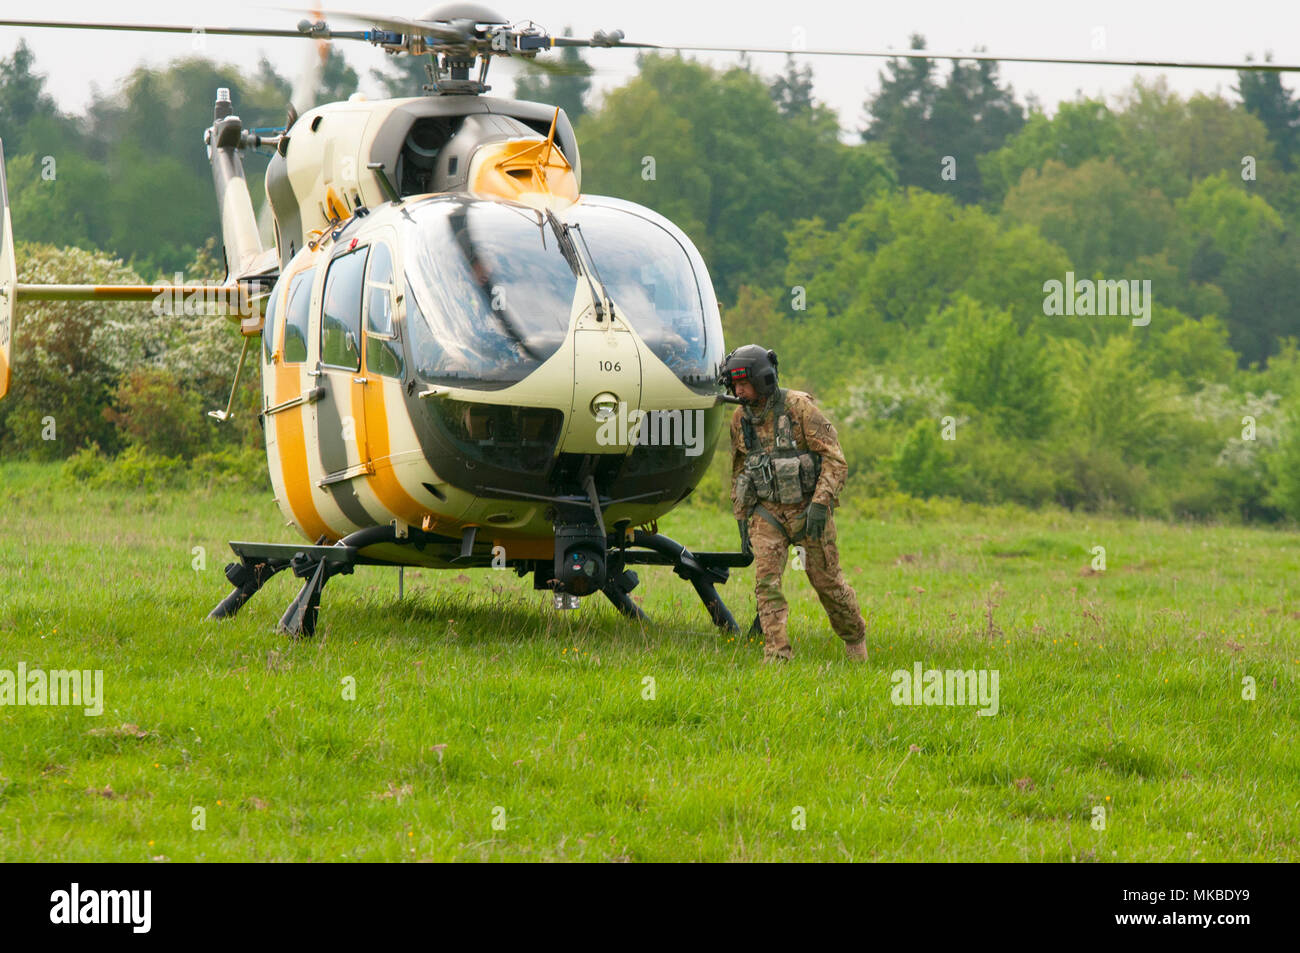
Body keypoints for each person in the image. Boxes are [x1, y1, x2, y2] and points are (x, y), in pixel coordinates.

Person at [722, 344, 867, 663]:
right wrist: (742, 519)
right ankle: (776, 654)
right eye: (734, 385)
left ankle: (855, 638)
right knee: (766, 583)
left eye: (743, 383)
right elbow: (739, 470)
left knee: (827, 583)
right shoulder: (739, 419)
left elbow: (835, 460)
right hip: (767, 513)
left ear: (762, 380)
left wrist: (820, 503)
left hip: (808, 510)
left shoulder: (800, 408)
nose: (738, 391)